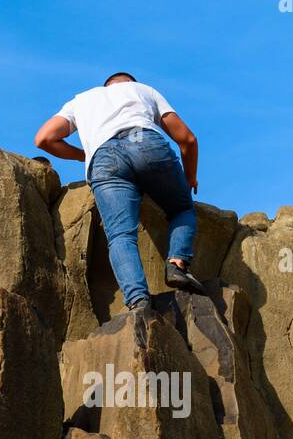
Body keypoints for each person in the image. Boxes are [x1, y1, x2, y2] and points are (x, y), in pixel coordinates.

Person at [34, 73, 205, 313]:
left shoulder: (81, 100)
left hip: (103, 159)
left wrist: (85, 155)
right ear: (130, 83)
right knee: (181, 208)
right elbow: (187, 139)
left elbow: (44, 139)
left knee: (120, 235)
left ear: (106, 86)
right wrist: (189, 178)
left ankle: (138, 300)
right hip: (145, 142)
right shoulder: (143, 90)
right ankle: (177, 264)